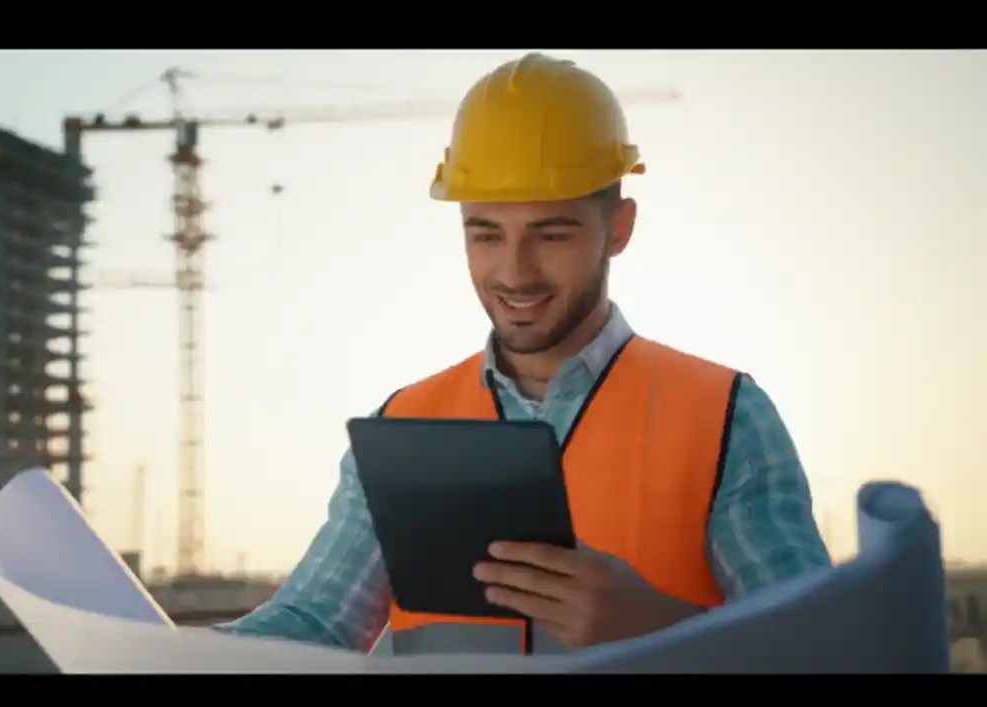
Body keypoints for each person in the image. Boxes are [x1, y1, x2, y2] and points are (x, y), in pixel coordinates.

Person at [213, 52, 831, 656]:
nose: (514, 273)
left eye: (551, 234)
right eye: (486, 234)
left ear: (618, 228)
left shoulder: (724, 416)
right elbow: (315, 622)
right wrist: (145, 649)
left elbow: (821, 653)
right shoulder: (404, 423)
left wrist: (660, 630)